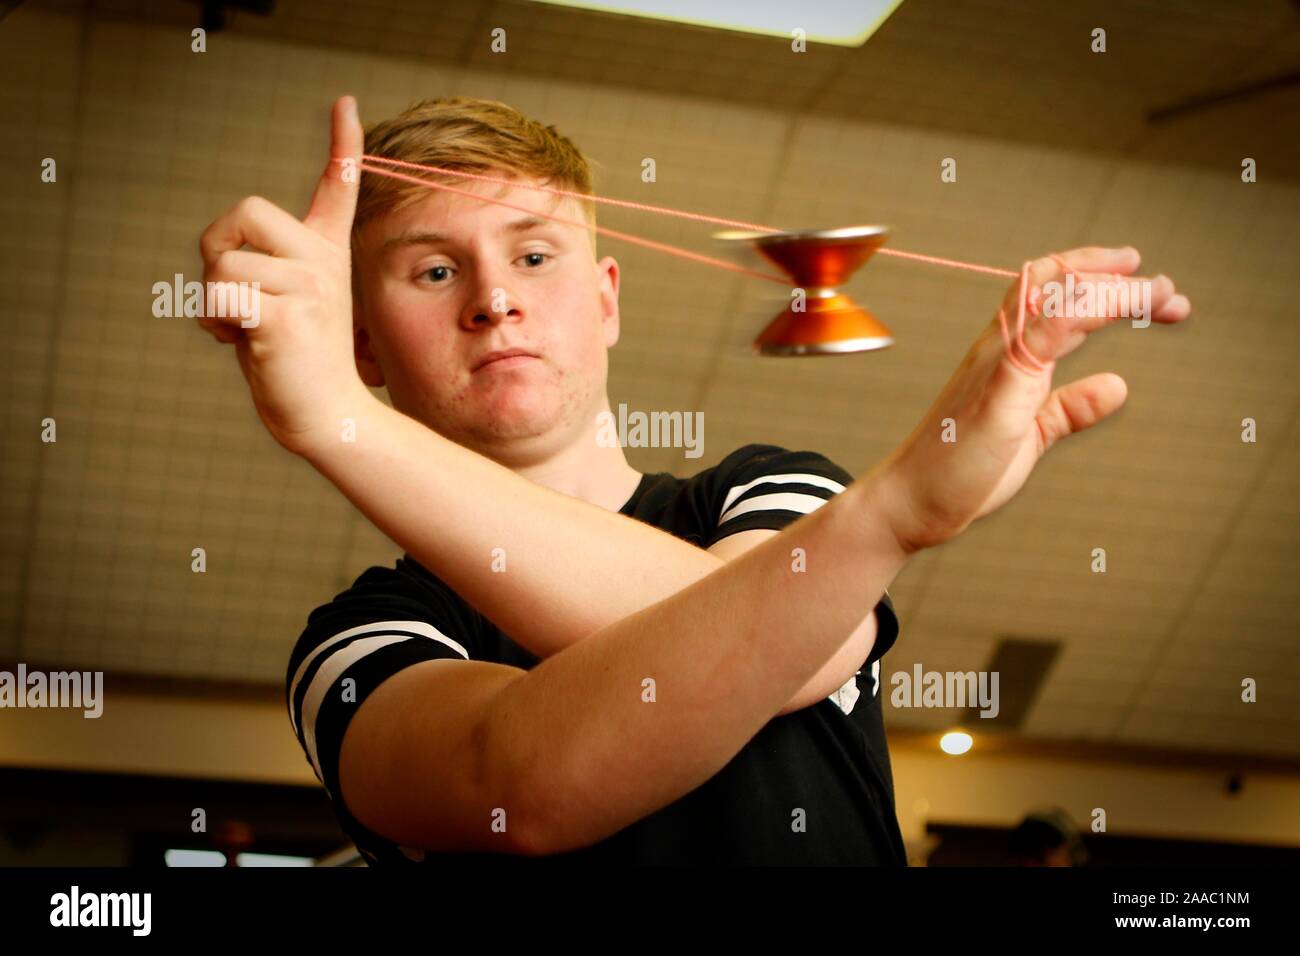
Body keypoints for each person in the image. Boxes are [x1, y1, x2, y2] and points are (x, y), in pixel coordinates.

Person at [196, 95, 1191, 865]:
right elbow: (522, 781)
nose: (495, 299)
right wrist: (331, 418)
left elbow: (799, 641)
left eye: (535, 254)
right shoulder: (359, 640)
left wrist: (872, 524)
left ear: (606, 297)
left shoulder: (771, 491)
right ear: (357, 344)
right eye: (434, 272)